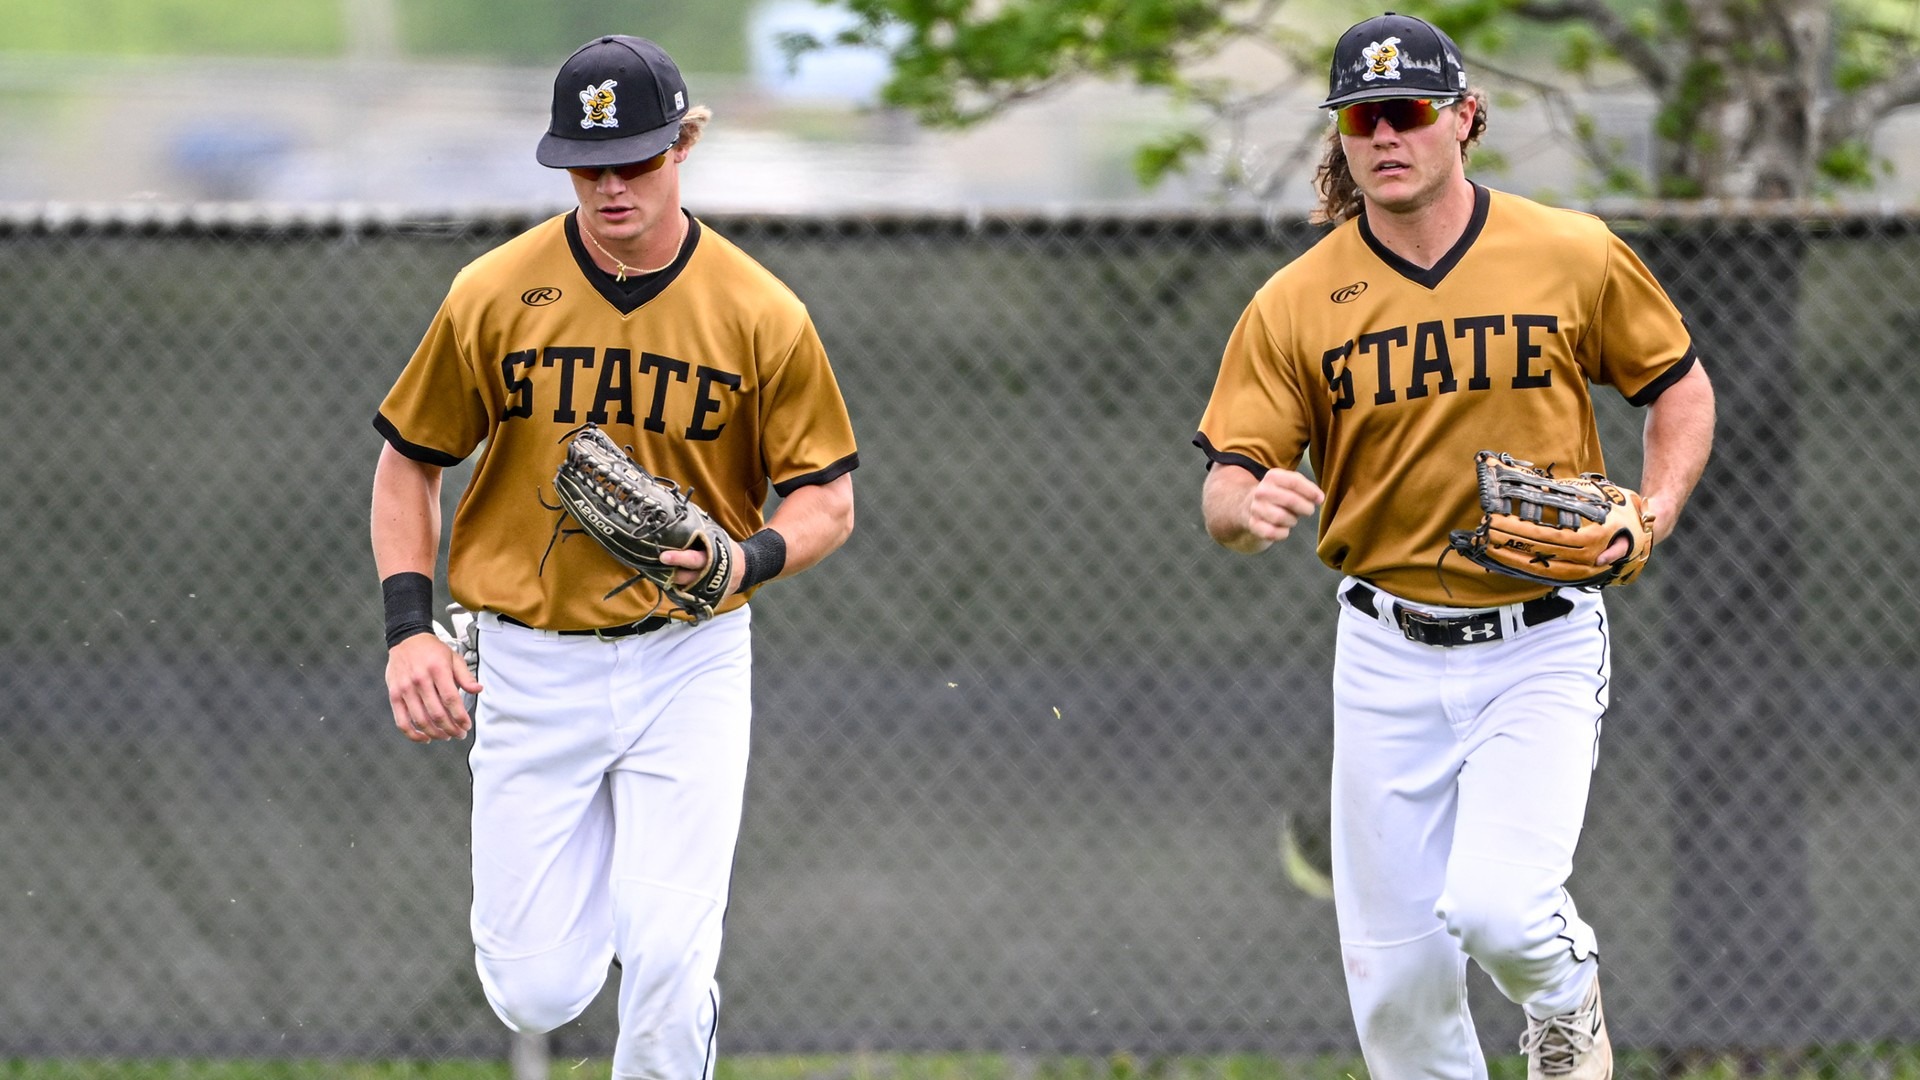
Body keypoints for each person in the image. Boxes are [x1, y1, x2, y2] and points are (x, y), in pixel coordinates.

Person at [1193, 12, 1715, 1080]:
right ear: (1341, 139)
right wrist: (1242, 508)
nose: (1387, 135)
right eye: (1362, 118)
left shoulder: (1569, 251)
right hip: (1385, 651)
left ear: (1464, 119)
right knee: (1398, 993)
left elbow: (1681, 390)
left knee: (1503, 912)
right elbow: (1225, 481)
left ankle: (1567, 1003)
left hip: (1540, 637)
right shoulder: (1297, 301)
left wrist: (1650, 512)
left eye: (1410, 112)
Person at [369, 34, 858, 1079]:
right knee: (533, 988)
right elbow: (408, 465)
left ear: (684, 146)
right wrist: (409, 629)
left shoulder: (760, 310)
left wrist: (751, 558)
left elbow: (829, 497)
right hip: (529, 657)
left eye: (635, 158)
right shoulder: (495, 293)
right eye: (588, 165)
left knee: (672, 959)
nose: (610, 186)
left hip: (689, 655)